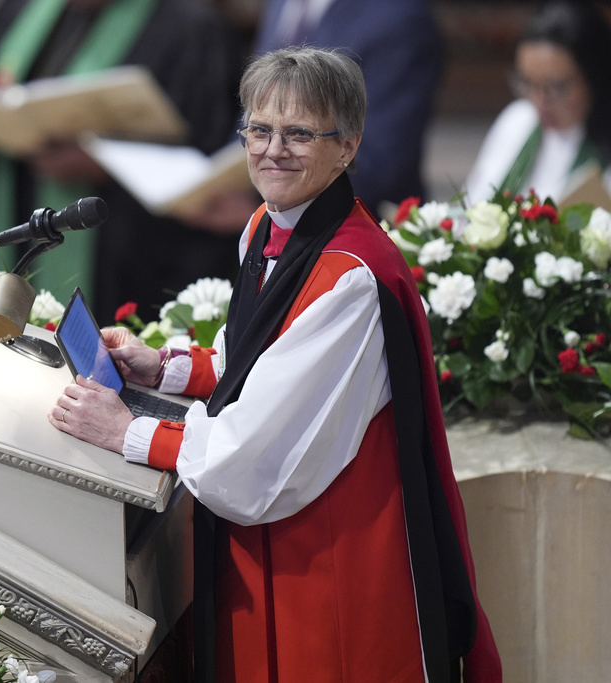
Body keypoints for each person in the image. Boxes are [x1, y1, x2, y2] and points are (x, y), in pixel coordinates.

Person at [49, 47, 502, 682]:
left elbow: (249, 457)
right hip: (277, 536)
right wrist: (165, 369)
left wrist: (126, 431)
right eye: (259, 130)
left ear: (348, 145)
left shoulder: (349, 277)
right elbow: (257, 359)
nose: (273, 150)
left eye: (299, 134)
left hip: (326, 558)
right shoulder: (270, 224)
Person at [0, 0, 244, 325]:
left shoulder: (190, 27)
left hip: (119, 251)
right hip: (21, 199)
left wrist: (104, 162)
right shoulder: (27, 7)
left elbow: (206, 154)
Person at [253, 0, 443, 216]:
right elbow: (256, 105)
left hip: (356, 219)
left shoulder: (397, 17)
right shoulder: (284, 4)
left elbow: (380, 163)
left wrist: (259, 204)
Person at [464, 0, 611, 205]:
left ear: (593, 77)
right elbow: (471, 203)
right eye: (527, 83)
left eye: (555, 88)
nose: (539, 101)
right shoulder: (518, 119)